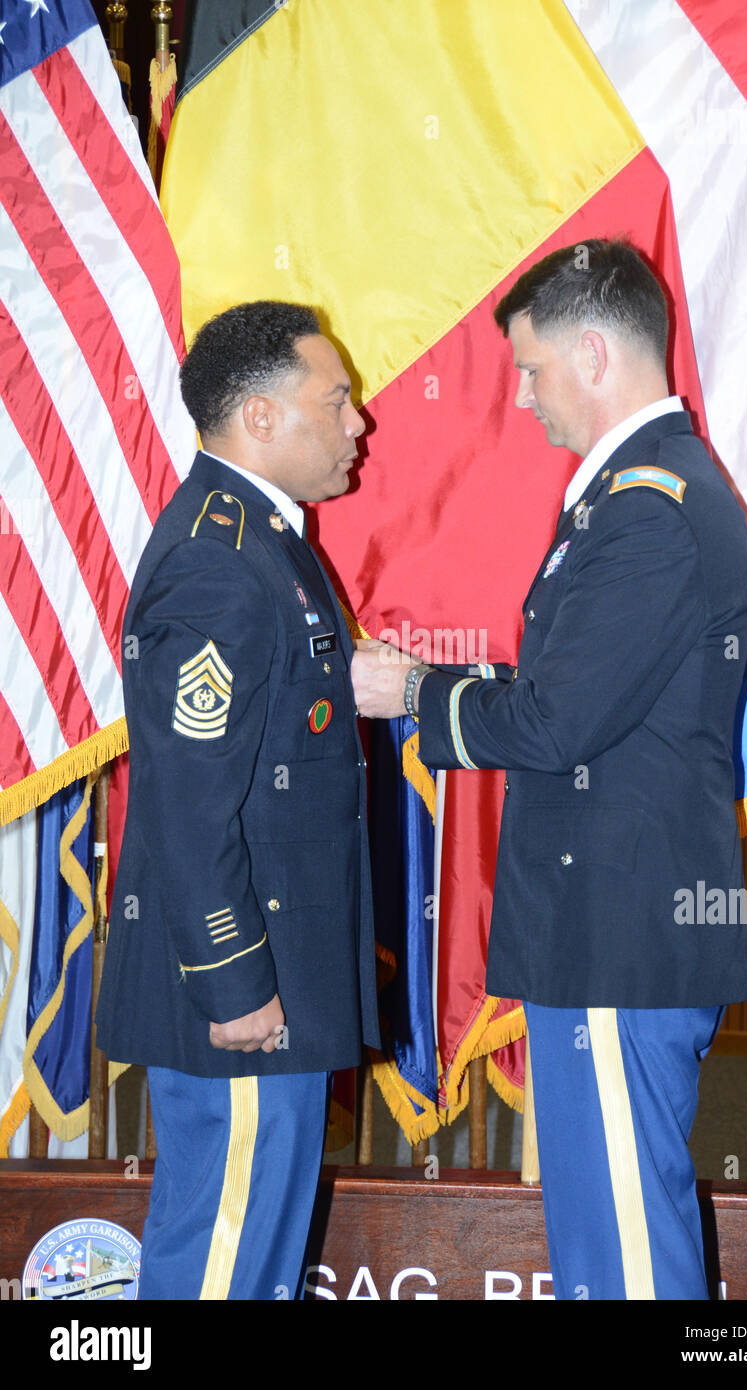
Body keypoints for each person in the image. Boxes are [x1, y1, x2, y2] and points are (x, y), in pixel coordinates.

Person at [351, 239, 747, 1300]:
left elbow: (554, 722)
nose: (524, 397)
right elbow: (581, 689)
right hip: (610, 928)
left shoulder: (647, 511)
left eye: (531, 370)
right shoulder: (636, 495)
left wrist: (412, 695)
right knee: (600, 1232)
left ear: (592, 354)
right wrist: (439, 680)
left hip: (618, 936)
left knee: (626, 1242)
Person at [96, 301, 380, 1300]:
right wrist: (232, 981)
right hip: (246, 990)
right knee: (224, 1262)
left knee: (250, 1259)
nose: (359, 422)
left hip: (277, 973)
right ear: (259, 417)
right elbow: (187, 800)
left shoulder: (263, 536)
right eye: (335, 400)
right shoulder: (219, 560)